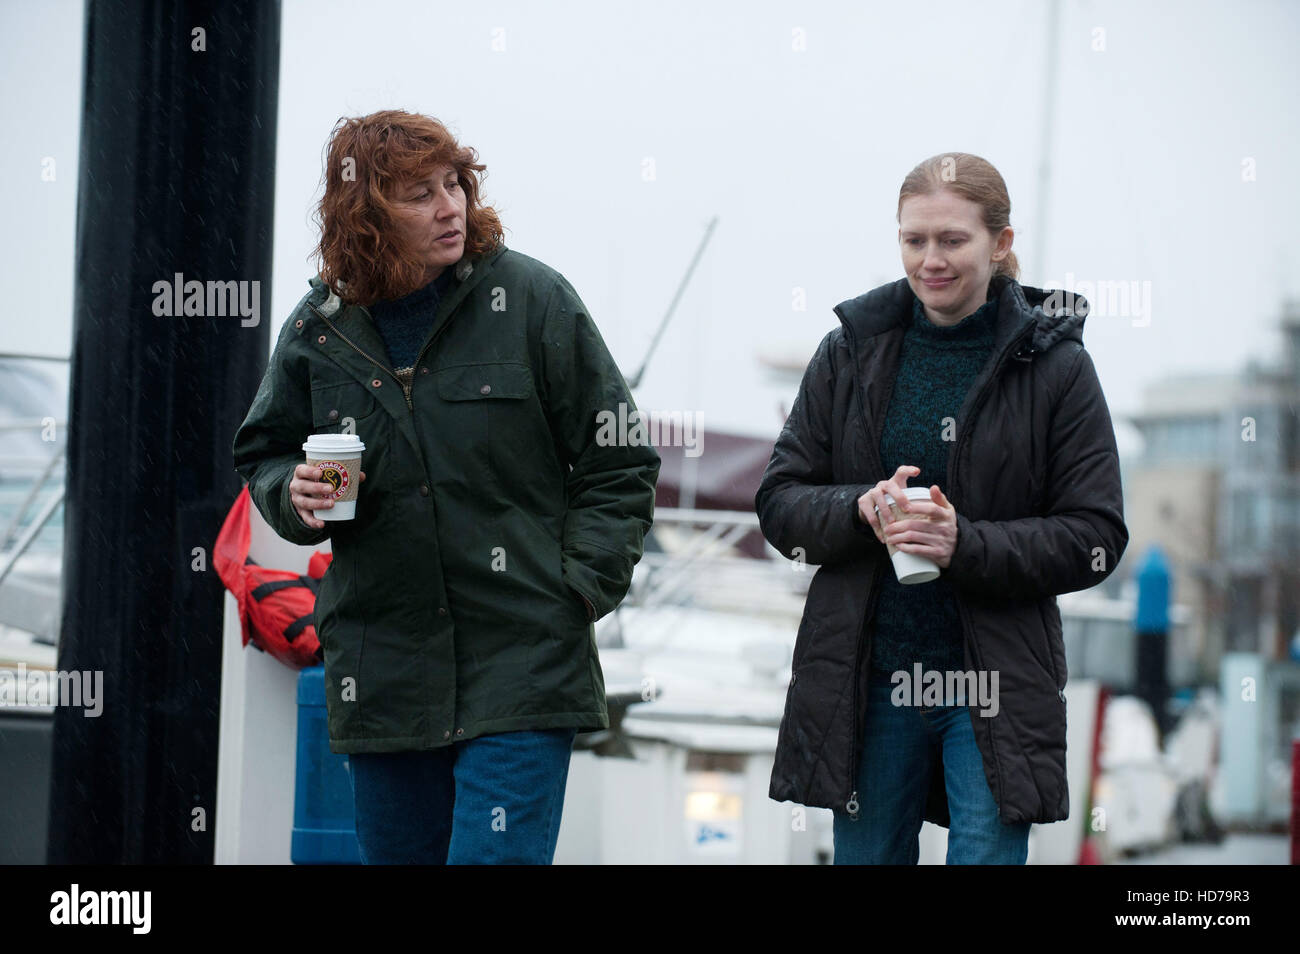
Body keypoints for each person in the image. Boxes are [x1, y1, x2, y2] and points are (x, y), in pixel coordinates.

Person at [231, 110, 660, 864]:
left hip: (524, 663)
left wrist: (579, 591)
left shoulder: (531, 300)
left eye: (455, 184)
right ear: (365, 214)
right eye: (419, 193)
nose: (450, 206)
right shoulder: (319, 329)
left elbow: (618, 460)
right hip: (384, 670)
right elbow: (263, 454)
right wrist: (290, 495)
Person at [754, 152, 1128, 864]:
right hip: (871, 681)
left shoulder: (1057, 367)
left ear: (1002, 244)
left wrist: (967, 545)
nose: (931, 259)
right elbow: (778, 502)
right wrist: (857, 509)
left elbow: (1097, 536)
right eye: (914, 240)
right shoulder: (848, 353)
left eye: (953, 240)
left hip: (992, 685)